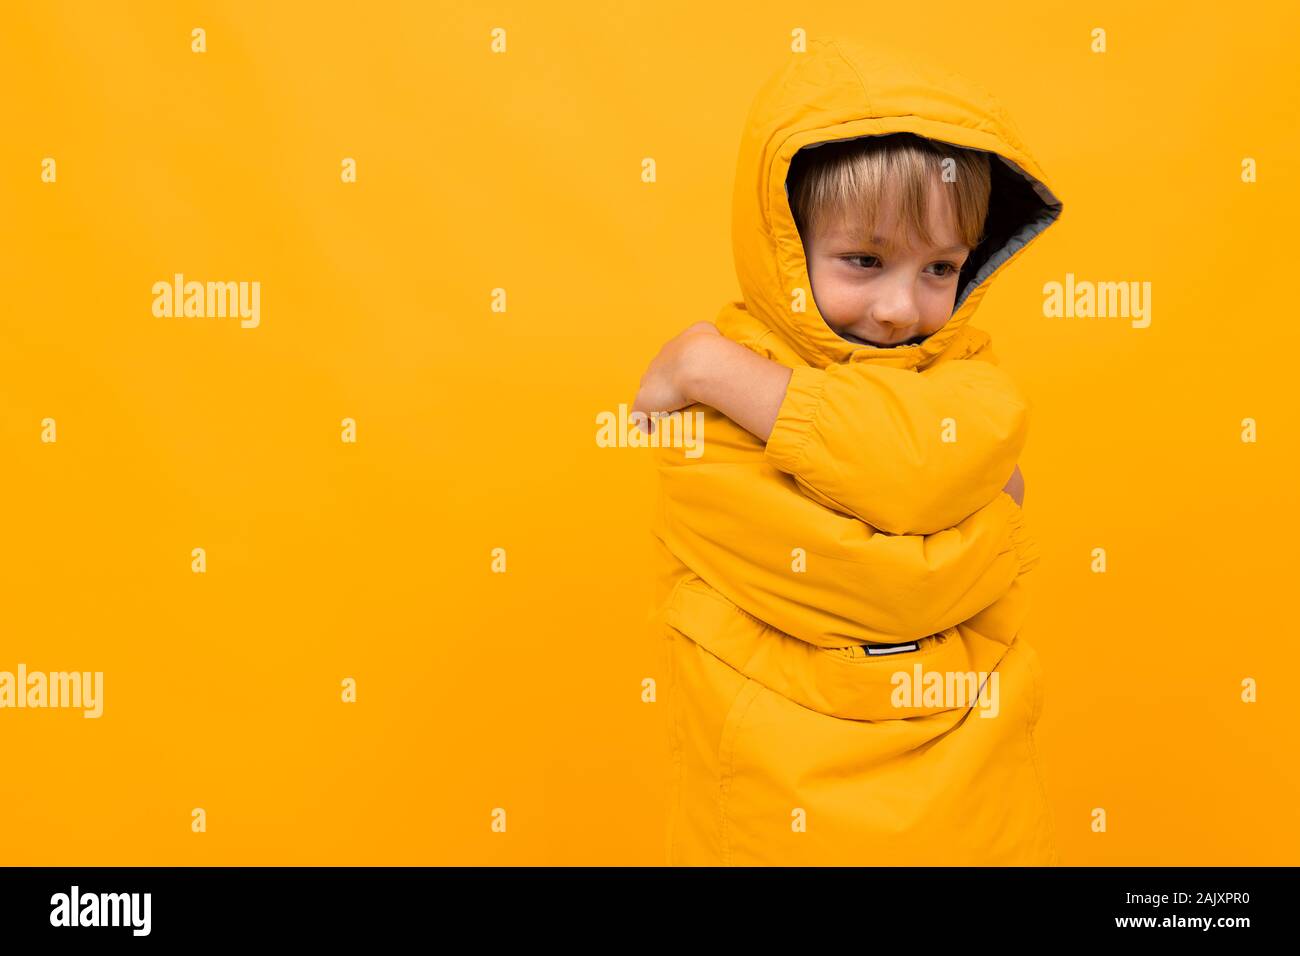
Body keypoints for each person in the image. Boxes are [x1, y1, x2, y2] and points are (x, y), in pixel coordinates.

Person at [632, 37, 1064, 865]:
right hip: (778, 810)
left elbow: (940, 474)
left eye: (941, 267)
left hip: (977, 805)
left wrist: (714, 373)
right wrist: (974, 515)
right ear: (786, 243)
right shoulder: (714, 401)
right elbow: (887, 585)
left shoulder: (965, 373)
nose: (902, 307)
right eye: (864, 261)